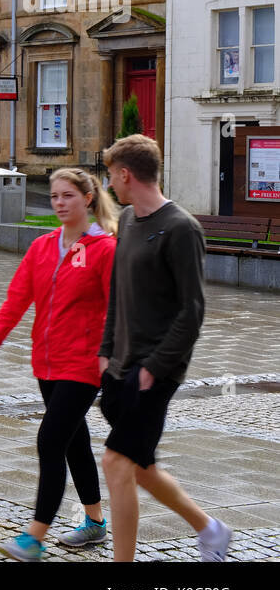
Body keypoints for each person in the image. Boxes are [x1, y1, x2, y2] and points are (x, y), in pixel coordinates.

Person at [0, 168, 117, 561]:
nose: (59, 203)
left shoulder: (104, 249)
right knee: (74, 441)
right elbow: (16, 300)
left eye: (67, 195)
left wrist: (109, 352)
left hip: (85, 365)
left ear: (87, 198)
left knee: (50, 440)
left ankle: (33, 537)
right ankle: (95, 523)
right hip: (46, 363)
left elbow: (116, 308)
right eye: (54, 196)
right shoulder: (42, 246)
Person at [99, 134, 230, 561]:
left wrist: (156, 366)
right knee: (140, 466)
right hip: (120, 366)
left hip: (156, 370)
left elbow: (192, 311)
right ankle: (210, 529)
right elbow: (119, 292)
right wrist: (106, 350)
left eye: (111, 176)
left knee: (117, 463)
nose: (109, 186)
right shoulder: (130, 222)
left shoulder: (181, 229)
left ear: (126, 174)